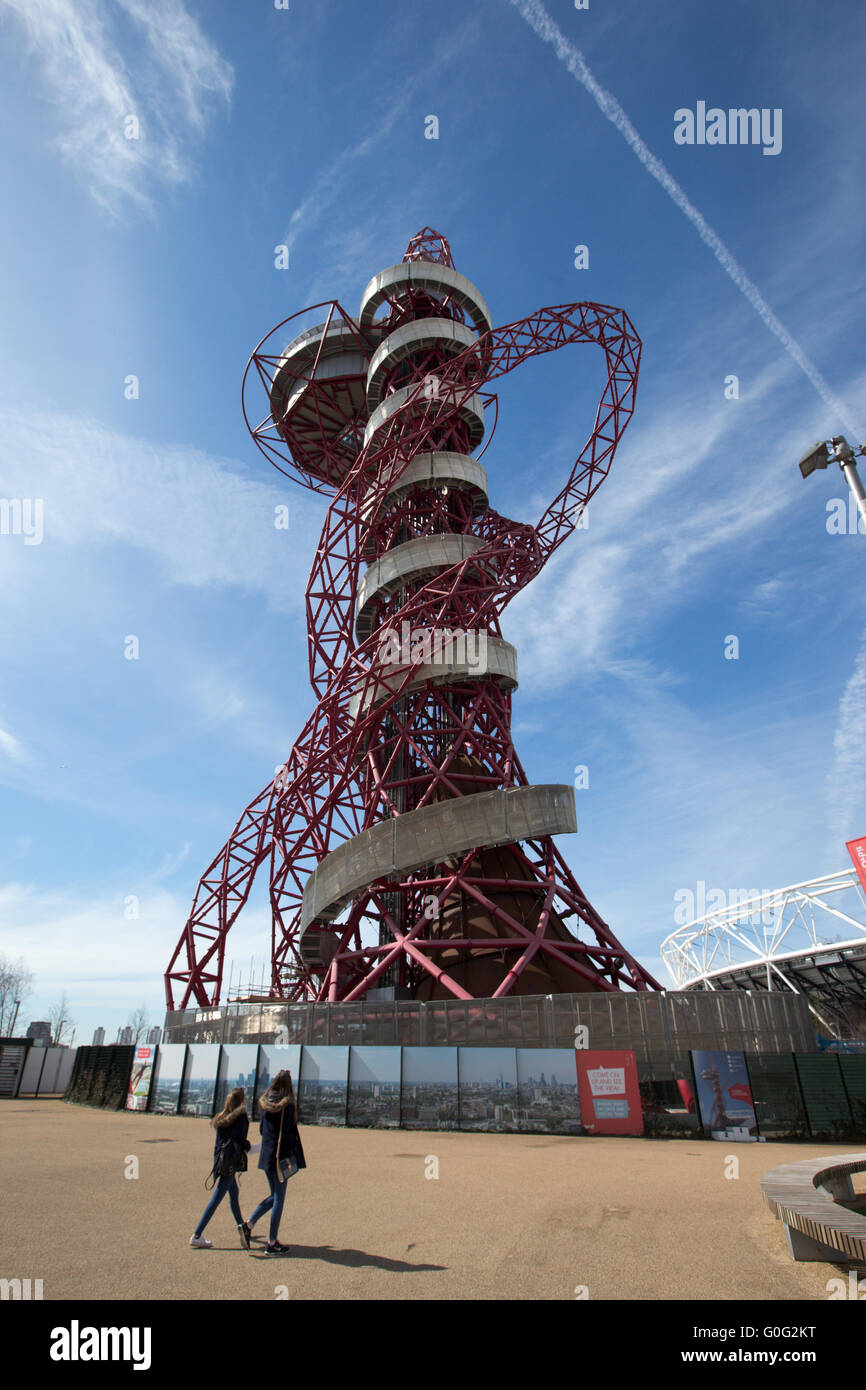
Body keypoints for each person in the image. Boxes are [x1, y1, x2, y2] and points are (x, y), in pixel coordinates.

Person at [247, 1069, 306, 1256]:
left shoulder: (264, 1103)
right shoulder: (287, 1105)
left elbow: (263, 1130)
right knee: (279, 1198)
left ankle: (248, 1224)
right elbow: (289, 1134)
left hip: (267, 1155)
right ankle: (271, 1243)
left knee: (274, 1195)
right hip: (281, 1156)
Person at [189, 1086, 252, 1249]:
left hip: (221, 1160)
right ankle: (197, 1234)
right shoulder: (242, 1118)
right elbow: (239, 1140)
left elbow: (222, 1142)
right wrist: (248, 1145)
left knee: (234, 1195)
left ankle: (241, 1225)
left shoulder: (222, 1118)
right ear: (242, 1101)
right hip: (231, 1161)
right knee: (217, 1199)